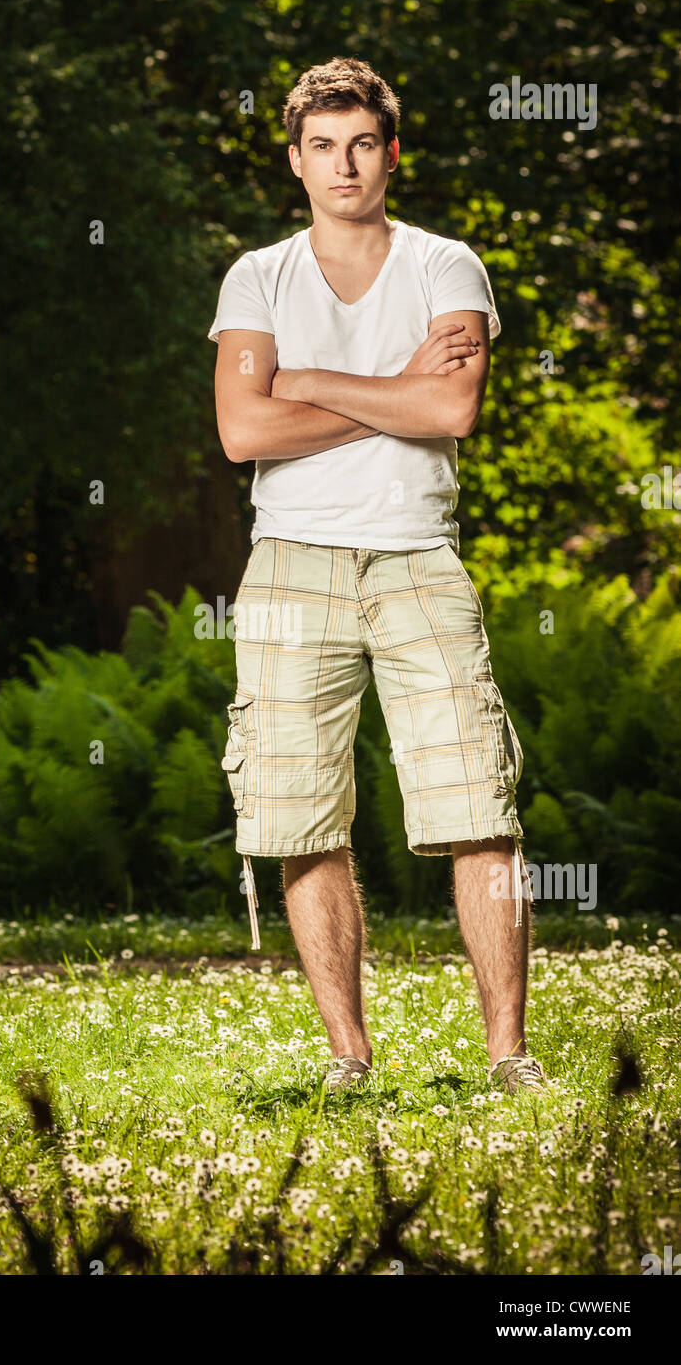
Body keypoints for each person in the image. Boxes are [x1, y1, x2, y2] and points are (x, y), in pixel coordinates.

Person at [208, 57, 546, 1097]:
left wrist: (303, 378)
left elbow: (448, 414)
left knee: (475, 804)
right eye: (322, 145)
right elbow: (238, 429)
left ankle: (506, 1056)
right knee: (299, 816)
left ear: (389, 152)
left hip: (416, 554)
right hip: (290, 562)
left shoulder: (448, 266)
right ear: (295, 159)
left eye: (361, 143)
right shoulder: (256, 276)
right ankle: (346, 1058)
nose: (343, 164)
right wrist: (388, 385)